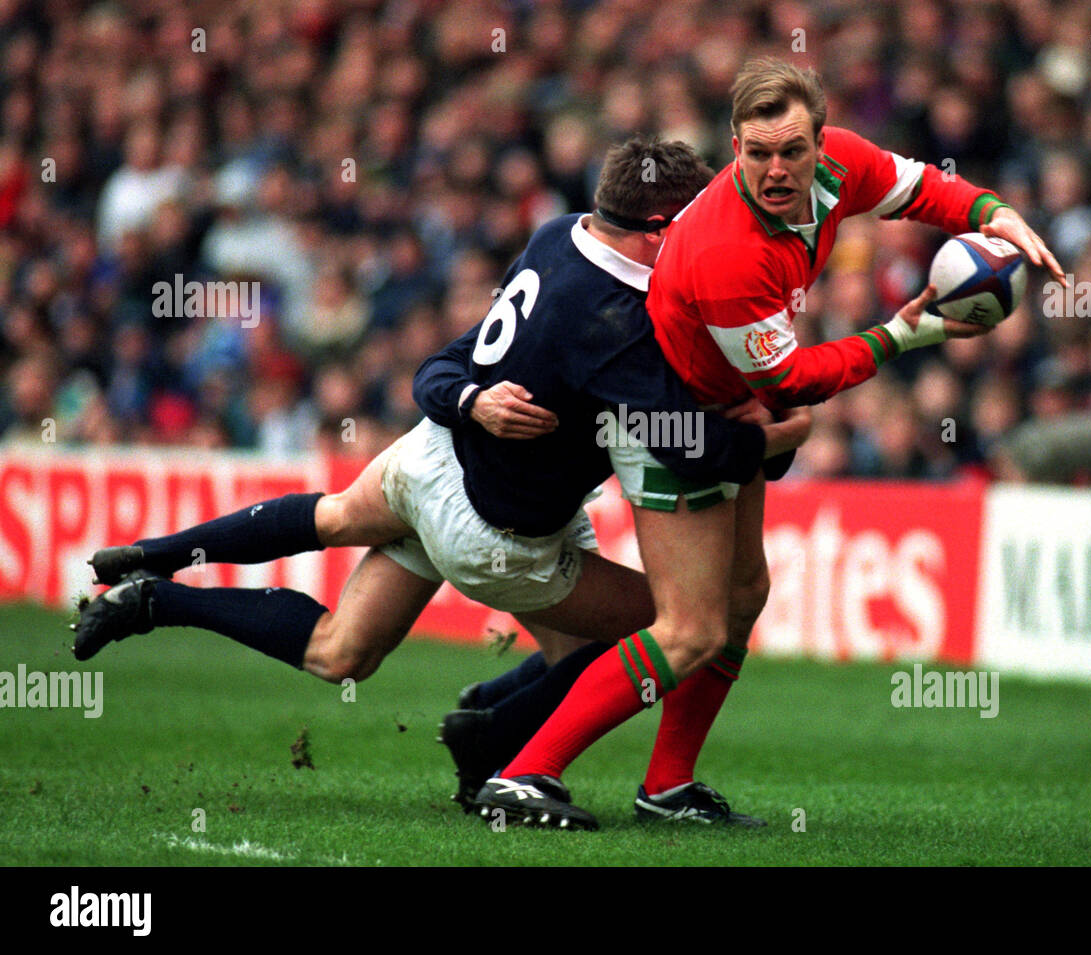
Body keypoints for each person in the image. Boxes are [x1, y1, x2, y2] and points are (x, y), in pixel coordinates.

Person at [72, 137, 811, 828]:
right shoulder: (620, 320)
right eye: (696, 220)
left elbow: (443, 363)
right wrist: (776, 437)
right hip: (492, 529)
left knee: (340, 640)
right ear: (659, 227)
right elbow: (697, 453)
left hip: (433, 454)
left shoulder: (559, 233)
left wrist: (467, 400)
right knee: (671, 631)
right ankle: (498, 741)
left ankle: (153, 577)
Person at [478, 58, 1066, 828]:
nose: (776, 170)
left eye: (792, 150)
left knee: (744, 597)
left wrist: (992, 212)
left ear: (823, 143)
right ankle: (525, 775)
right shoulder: (728, 252)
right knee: (690, 629)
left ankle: (667, 788)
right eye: (757, 154)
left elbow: (923, 187)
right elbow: (790, 379)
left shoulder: (844, 165)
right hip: (674, 417)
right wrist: (906, 333)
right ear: (735, 146)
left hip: (730, 399)